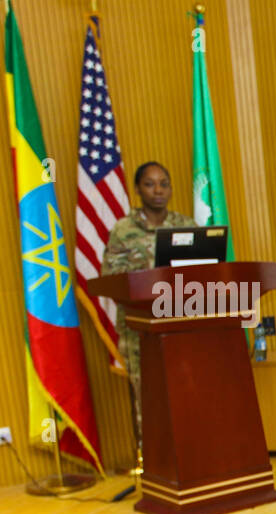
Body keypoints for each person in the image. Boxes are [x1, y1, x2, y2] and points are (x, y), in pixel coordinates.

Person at [101, 162, 197, 443]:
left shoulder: (186, 225)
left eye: (164, 183)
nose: (158, 190)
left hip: (182, 324)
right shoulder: (123, 230)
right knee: (150, 400)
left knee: (188, 395)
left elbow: (202, 270)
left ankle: (193, 457)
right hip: (139, 330)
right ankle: (157, 463)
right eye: (150, 183)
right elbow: (111, 278)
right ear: (138, 189)